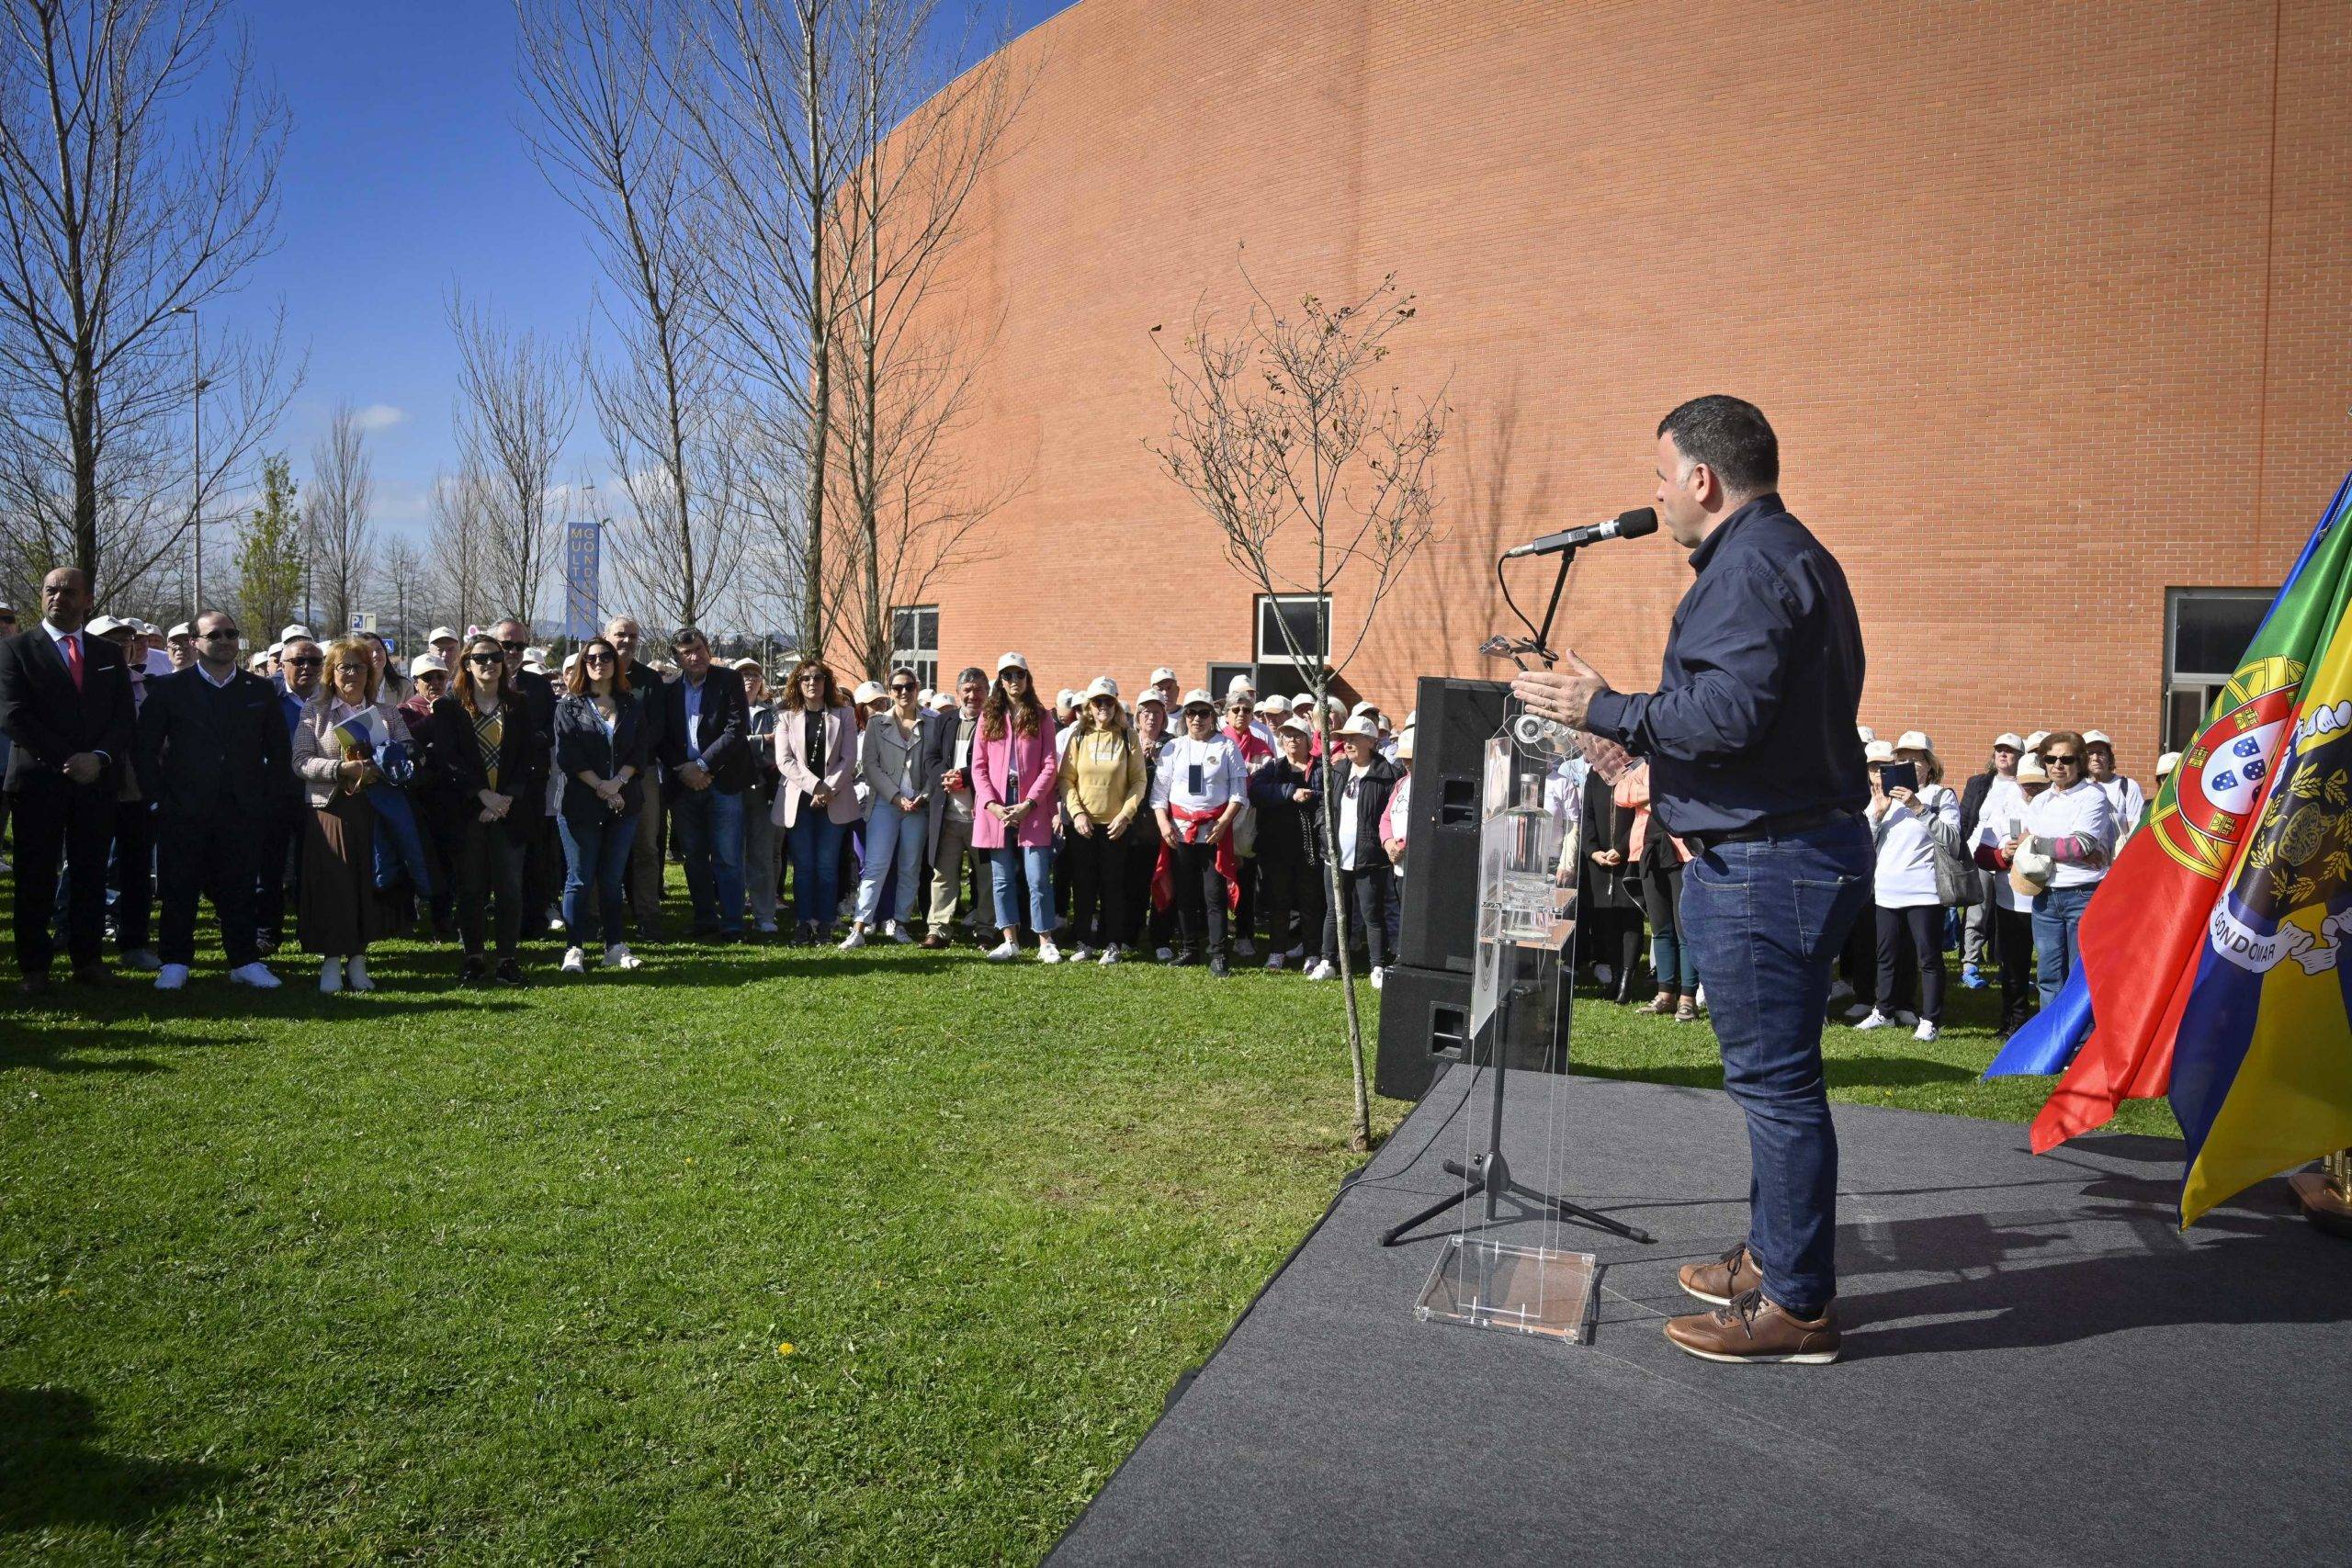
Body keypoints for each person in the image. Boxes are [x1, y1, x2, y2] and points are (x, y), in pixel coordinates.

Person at [1514, 395, 1869, 1365]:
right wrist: (1619, 719)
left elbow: (1724, 720)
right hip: (1782, 851)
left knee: (1776, 1087)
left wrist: (1610, 706)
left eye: (1660, 478)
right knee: (1774, 1084)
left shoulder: (1748, 567)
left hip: (1769, 864)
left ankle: (1795, 1306)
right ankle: (1773, 1256)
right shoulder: (1784, 556)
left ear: (1702, 480)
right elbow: (1742, 714)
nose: (1656, 497)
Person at [132, 610, 287, 990]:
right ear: (195, 643)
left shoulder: (259, 690)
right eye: (215, 635)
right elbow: (144, 749)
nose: (225, 641)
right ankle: (176, 961)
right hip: (183, 806)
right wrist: (157, 799)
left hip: (242, 808)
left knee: (239, 887)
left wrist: (264, 799)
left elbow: (279, 752)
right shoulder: (169, 689)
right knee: (179, 886)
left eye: (231, 634)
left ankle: (244, 960)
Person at [0, 568, 135, 992]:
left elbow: (123, 717)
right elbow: (13, 715)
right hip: (38, 781)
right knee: (35, 874)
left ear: (87, 599)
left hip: (95, 782)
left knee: (90, 872)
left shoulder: (108, 654)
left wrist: (98, 758)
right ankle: (35, 966)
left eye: (68, 592)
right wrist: (66, 758)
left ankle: (88, 958)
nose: (58, 598)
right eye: (50, 591)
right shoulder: (16, 650)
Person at [290, 637, 413, 993]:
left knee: (366, 884)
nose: (353, 674)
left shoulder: (388, 713)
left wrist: (389, 761)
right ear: (332, 672)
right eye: (345, 666)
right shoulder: (314, 712)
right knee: (334, 885)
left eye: (360, 666)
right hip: (330, 809)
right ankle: (331, 961)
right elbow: (300, 762)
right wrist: (339, 769)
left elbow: (407, 751)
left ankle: (358, 960)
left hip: (373, 809)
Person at [426, 634, 543, 986]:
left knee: (510, 888)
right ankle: (473, 957)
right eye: (481, 658)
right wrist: (481, 795)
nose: (490, 663)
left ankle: (507, 958)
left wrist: (505, 798)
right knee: (471, 888)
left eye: (495, 656)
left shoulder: (519, 705)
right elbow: (447, 760)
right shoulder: (449, 707)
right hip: (468, 812)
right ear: (466, 664)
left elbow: (529, 759)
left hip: (510, 810)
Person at [1856, 731, 1962, 1041]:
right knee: (1885, 954)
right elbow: (1867, 843)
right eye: (1902, 758)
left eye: (1916, 759)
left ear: (1929, 765)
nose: (1908, 764)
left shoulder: (1941, 796)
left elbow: (1953, 840)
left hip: (1925, 890)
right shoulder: (1883, 796)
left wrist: (1917, 807)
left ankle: (1930, 1021)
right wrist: (1877, 813)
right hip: (1887, 889)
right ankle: (1884, 1011)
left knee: (1928, 957)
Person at [554, 637, 649, 974]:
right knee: (579, 879)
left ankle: (614, 946)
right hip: (581, 804)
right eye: (591, 658)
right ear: (583, 664)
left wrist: (618, 784)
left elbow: (640, 751)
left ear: (615, 662)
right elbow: (568, 756)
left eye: (605, 657)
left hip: (624, 802)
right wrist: (604, 788)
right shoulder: (569, 707)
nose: (598, 662)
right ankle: (574, 949)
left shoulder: (632, 704)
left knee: (611, 879)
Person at [656, 629, 752, 942]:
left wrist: (702, 766)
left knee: (727, 856)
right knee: (694, 857)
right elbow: (662, 737)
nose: (694, 656)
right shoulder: (667, 688)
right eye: (686, 653)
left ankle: (733, 922)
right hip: (683, 785)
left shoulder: (729, 681)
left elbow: (736, 729)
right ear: (677, 658)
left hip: (722, 780)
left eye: (698, 649)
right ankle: (704, 919)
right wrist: (684, 770)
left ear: (708, 649)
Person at [2013, 729, 2115, 1009]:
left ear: (2079, 762)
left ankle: (2080, 1045)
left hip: (2083, 894)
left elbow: (2078, 846)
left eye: (2066, 759)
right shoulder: (2040, 801)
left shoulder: (2094, 796)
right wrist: (2067, 849)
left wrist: (2037, 843)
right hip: (2045, 895)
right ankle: (2053, 1043)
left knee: (2079, 976)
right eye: (2050, 758)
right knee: (2047, 976)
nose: (2057, 765)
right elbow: (2069, 848)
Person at [972, 651, 1062, 962]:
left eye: (1019, 675)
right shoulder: (988, 716)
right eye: (1008, 676)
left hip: (1031, 805)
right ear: (1000, 680)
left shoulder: (1041, 716)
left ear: (1027, 678)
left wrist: (1030, 802)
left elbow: (1050, 764)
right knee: (1002, 878)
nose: (1014, 681)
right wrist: (992, 804)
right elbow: (978, 767)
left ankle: (1045, 941)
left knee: (1037, 877)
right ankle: (1009, 939)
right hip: (997, 805)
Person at [1150, 688, 1247, 974]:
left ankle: (1218, 954)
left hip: (1214, 832)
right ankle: (1189, 948)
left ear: (1212, 716)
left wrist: (1225, 821)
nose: (1197, 718)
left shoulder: (1226, 747)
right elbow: (1159, 794)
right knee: (1184, 893)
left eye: (1204, 713)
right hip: (1179, 832)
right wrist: (1163, 822)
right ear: (1186, 716)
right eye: (1192, 712)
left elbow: (1239, 793)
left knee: (1213, 895)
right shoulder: (1173, 748)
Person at [1308, 714, 1402, 987]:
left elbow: (1391, 816)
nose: (1347, 744)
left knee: (1373, 914)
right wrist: (1326, 840)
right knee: (1333, 911)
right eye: (1344, 739)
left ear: (1371, 741)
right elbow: (1324, 809)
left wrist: (1381, 845)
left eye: (1353, 739)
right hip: (1335, 856)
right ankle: (1328, 961)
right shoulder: (1338, 771)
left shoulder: (1388, 775)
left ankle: (1377, 966)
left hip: (1369, 859)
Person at [773, 659, 860, 943]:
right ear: (797, 684)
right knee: (804, 866)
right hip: (799, 801)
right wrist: (815, 787)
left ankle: (825, 923)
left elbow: (849, 759)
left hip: (833, 801)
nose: (812, 683)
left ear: (827, 682)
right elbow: (785, 761)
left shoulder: (844, 714)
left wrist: (827, 790)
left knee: (826, 865)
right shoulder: (786, 717)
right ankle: (804, 922)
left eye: (818, 678)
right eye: (805, 678)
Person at [1059, 676, 1146, 963]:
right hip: (1083, 825)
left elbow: (1139, 782)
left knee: (1113, 885)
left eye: (1109, 701)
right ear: (1089, 706)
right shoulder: (1078, 736)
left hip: (1115, 826)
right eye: (1098, 702)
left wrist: (1125, 815)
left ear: (1116, 704)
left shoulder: (1127, 737)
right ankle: (1084, 941)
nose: (1103, 707)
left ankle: (1113, 943)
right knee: (1083, 884)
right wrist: (1077, 813)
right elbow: (1066, 779)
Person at [842, 669, 931, 947]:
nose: (904, 692)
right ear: (890, 691)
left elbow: (937, 764)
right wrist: (895, 797)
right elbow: (870, 766)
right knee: (875, 866)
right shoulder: (877, 724)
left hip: (918, 805)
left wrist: (924, 795)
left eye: (909, 686)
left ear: (917, 688)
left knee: (909, 866)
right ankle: (859, 927)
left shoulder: (932, 722)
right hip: (884, 803)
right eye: (897, 687)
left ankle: (900, 923)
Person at [487, 617, 562, 940]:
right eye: (507, 645)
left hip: (530, 784)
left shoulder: (539, 686)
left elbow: (550, 730)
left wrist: (526, 742)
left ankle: (532, 921)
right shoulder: (479, 683)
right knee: (487, 857)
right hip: (488, 786)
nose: (514, 652)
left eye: (520, 646)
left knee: (532, 855)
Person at [1971, 752, 2049, 1035]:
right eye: (2027, 784)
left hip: (2048, 898)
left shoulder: (2053, 805)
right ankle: (2013, 1021)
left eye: (2038, 784)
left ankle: (2047, 1022)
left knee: (2051, 966)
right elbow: (1982, 854)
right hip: (2011, 899)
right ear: (2017, 781)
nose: (2033, 789)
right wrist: (2003, 854)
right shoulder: (2003, 807)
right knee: (2013, 965)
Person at [1617, 761, 1701, 1021]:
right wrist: (1658, 795)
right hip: (1648, 853)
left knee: (1684, 929)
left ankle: (1688, 999)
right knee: (1660, 928)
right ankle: (1665, 995)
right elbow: (1621, 794)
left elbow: (1687, 798)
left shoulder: (1685, 764)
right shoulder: (1645, 766)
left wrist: (1647, 797)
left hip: (1682, 854)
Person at [605, 616, 672, 942]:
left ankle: (647, 915)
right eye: (620, 634)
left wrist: (629, 764)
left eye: (632, 635)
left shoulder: (649, 680)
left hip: (641, 773)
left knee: (646, 845)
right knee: (603, 846)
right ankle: (600, 915)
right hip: (601, 775)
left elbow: (657, 727)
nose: (627, 641)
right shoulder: (595, 671)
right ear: (607, 636)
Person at [921, 665, 993, 947]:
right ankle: (938, 929)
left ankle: (986, 928)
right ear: (958, 692)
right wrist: (945, 777)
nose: (972, 695)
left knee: (986, 875)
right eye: (967, 690)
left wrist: (964, 777)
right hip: (947, 813)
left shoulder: (996, 722)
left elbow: (994, 767)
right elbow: (931, 758)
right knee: (943, 874)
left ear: (987, 692)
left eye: (978, 690)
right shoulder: (946, 720)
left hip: (982, 814)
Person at [1250, 712, 1325, 968]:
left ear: (1307, 739)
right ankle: (1277, 951)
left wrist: (1310, 795)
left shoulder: (1319, 768)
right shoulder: (1273, 767)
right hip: (1277, 846)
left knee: (1309, 902)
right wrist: (1289, 792)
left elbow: (1328, 795)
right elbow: (1256, 791)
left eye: (1297, 736)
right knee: (1278, 901)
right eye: (1287, 736)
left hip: (1310, 846)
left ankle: (1312, 953)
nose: (1292, 740)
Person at [1956, 733, 2026, 989]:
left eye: (2009, 751)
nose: (2003, 755)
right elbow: (1964, 820)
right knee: (1977, 911)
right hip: (1981, 854)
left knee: (2010, 913)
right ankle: (1970, 964)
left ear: (2021, 756)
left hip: (2014, 858)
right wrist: (1960, 850)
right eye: (1999, 750)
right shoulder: (1980, 783)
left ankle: (2006, 966)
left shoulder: (2027, 784)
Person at [400, 653, 458, 939]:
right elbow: (406, 743)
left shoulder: (456, 708)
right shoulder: (405, 711)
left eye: (440, 677)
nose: (435, 682)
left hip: (450, 797)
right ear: (415, 682)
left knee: (447, 860)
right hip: (416, 797)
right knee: (415, 858)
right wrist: (434, 717)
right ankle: (408, 916)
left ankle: (443, 918)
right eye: (428, 678)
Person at [1577, 756, 1644, 1001]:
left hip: (1628, 858)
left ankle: (1626, 980)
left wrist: (1623, 847)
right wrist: (1593, 850)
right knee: (1607, 921)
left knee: (1629, 917)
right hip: (1600, 861)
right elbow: (1588, 816)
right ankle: (1615, 977)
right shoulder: (1595, 776)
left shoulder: (1636, 772)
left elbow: (1641, 816)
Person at [1125, 687, 1179, 960]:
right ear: (1137, 716)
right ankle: (1130, 936)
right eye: (1146, 712)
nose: (1151, 717)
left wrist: (1156, 761)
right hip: (1133, 827)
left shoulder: (1174, 744)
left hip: (1163, 827)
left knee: (1164, 883)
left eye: (1157, 712)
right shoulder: (1127, 741)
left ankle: (1161, 939)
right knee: (1133, 884)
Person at [739, 660, 785, 935]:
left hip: (763, 788)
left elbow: (781, 744)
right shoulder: (726, 709)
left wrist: (751, 743)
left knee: (762, 854)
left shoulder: (773, 712)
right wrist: (761, 740)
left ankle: (764, 914)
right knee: (729, 854)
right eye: (744, 674)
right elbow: (724, 741)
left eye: (755, 674)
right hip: (730, 788)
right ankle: (731, 913)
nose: (750, 679)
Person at [2082, 730, 2144, 845]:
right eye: (2090, 753)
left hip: (2116, 859)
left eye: (2101, 753)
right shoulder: (2078, 787)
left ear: (2109, 757)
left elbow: (2135, 830)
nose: (2095, 758)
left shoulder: (2128, 786)